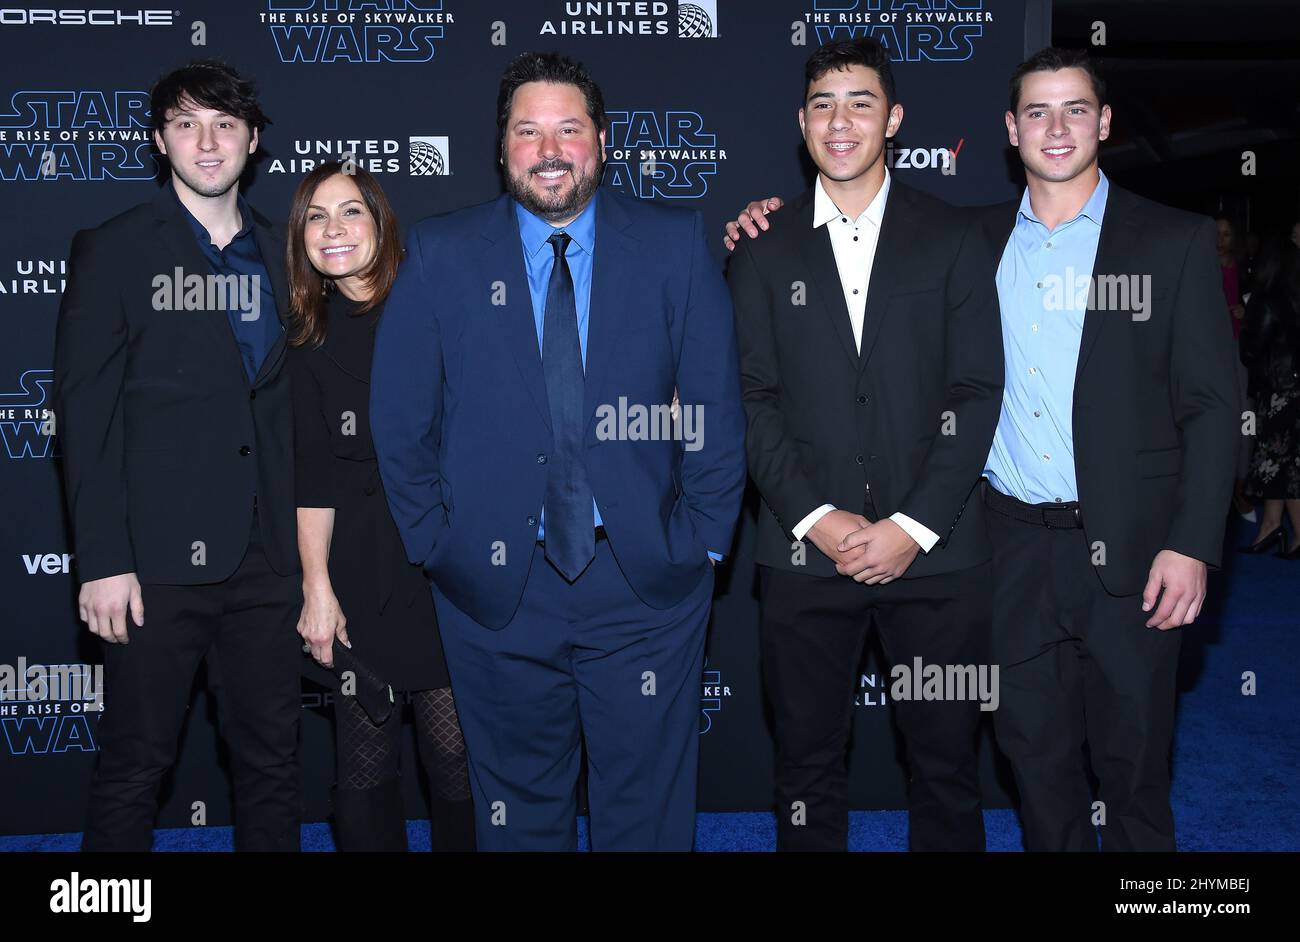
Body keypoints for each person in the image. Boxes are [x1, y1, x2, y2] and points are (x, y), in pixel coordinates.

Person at [726, 47, 1239, 852]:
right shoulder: (975, 235)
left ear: (1104, 123)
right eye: (1037, 111)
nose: (1056, 127)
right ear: (1010, 130)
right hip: (1009, 546)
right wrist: (757, 220)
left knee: (1132, 764)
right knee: (1033, 761)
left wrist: (1193, 541)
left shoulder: (1165, 241)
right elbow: (774, 360)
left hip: (1130, 547)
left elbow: (1214, 406)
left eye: (1075, 110)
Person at [369, 51, 746, 851]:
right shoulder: (442, 253)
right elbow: (402, 422)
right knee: (516, 813)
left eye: (568, 129)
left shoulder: (673, 244)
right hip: (496, 587)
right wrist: (441, 547)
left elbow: (715, 408)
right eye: (527, 130)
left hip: (644, 584)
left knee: (645, 814)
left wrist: (704, 543)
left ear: (601, 142)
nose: (549, 149)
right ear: (501, 146)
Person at [724, 37, 1003, 851]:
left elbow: (977, 390)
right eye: (823, 105)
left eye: (861, 103)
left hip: (940, 557)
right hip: (804, 555)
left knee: (947, 769)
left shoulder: (952, 239)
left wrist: (911, 526)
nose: (840, 122)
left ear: (895, 120)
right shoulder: (762, 249)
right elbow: (752, 398)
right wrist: (818, 517)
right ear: (801, 122)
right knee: (806, 767)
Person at [54, 60, 302, 851]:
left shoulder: (289, 252)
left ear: (253, 140)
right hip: (152, 567)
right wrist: (101, 559)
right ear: (160, 139)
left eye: (225, 124)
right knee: (135, 764)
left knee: (272, 765)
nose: (207, 141)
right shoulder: (114, 249)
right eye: (186, 123)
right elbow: (84, 417)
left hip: (268, 561)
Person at [286, 162, 475, 851]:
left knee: (456, 759)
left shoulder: (437, 305)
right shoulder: (305, 339)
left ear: (382, 222)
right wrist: (317, 588)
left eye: (351, 212)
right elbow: (313, 477)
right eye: (316, 216)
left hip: (444, 563)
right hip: (358, 570)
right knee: (364, 763)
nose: (334, 229)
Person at [1240, 233, 1300, 558]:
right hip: (1293, 390)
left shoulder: (1266, 299)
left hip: (1277, 391)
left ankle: (1285, 531)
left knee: (1279, 462)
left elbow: (1251, 349)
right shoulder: (1294, 296)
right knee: (1283, 463)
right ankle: (1271, 527)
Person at [1219, 215, 1256, 520]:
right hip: (1207, 353)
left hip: (1240, 352)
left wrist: (1248, 314)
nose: (1221, 240)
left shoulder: (1249, 271)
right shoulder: (1198, 266)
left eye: (1227, 234)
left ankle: (1240, 490)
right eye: (1216, 233)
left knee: (1246, 419)